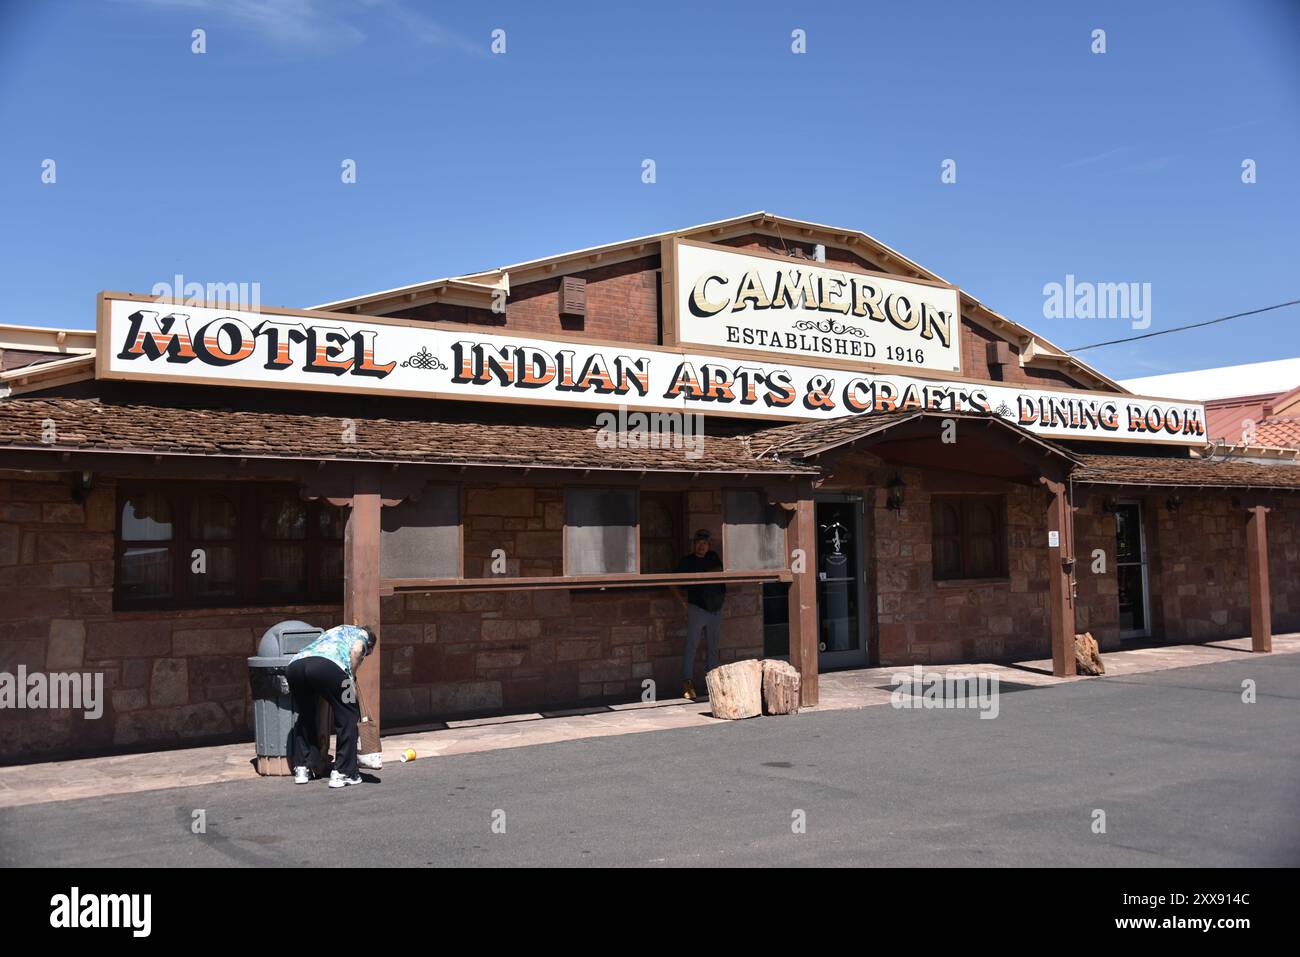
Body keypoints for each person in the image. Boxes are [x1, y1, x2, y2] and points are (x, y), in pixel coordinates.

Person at [286, 623, 376, 788]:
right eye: (367, 655)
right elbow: (356, 651)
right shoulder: (362, 635)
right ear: (370, 645)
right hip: (328, 667)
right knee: (349, 715)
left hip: (295, 667)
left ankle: (303, 767)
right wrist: (351, 678)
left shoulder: (337, 630)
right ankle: (344, 772)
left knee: (306, 715)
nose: (365, 657)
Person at [675, 529, 726, 701]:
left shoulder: (714, 558)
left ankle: (711, 685)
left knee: (713, 648)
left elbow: (722, 578)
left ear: (708, 544)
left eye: (705, 543)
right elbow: (672, 582)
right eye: (698, 543)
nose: (702, 546)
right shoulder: (687, 562)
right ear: (694, 544)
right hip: (697, 609)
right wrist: (683, 603)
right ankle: (687, 684)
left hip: (715, 610)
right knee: (692, 646)